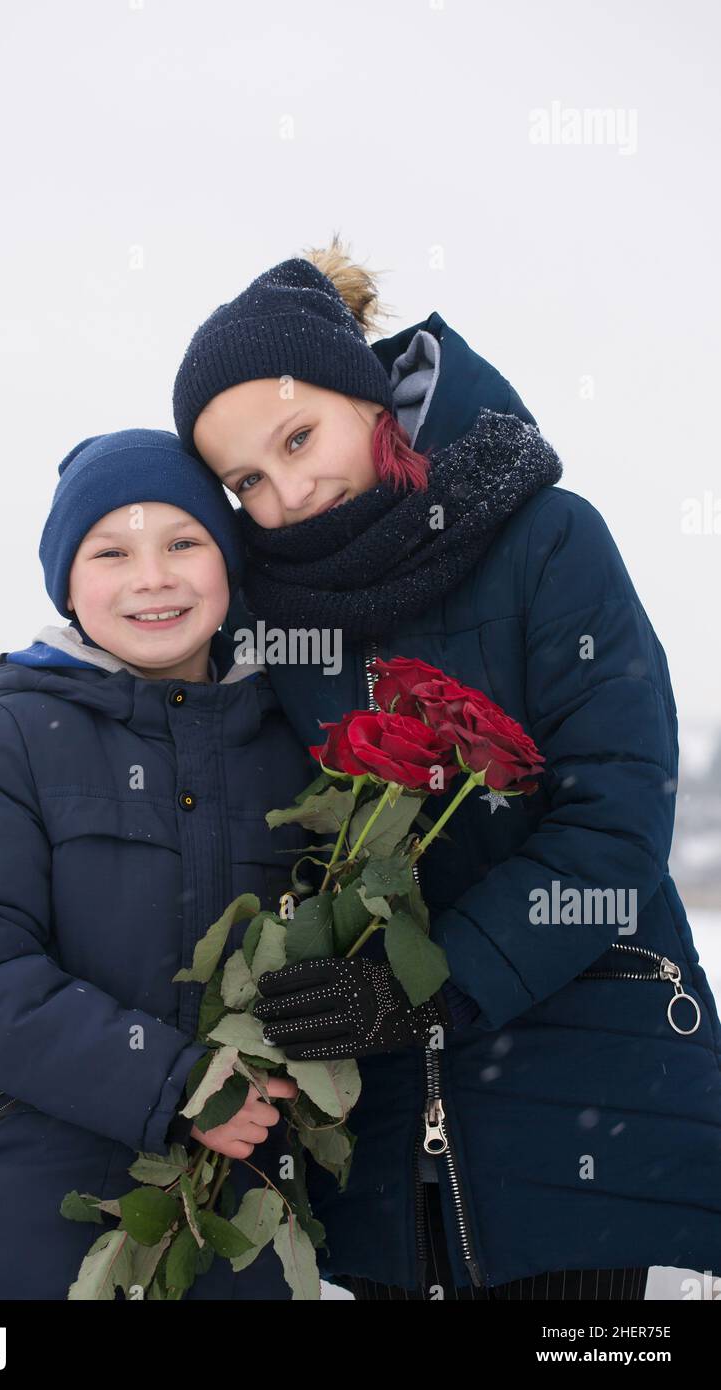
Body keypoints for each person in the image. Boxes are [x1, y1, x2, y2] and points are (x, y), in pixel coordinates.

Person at [171, 238, 721, 1300]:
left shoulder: (546, 540)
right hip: (374, 1151)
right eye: (247, 479)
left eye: (298, 436)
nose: (286, 490)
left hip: (570, 1121)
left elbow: (612, 830)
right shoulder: (271, 620)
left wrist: (425, 991)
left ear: (364, 395)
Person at [0, 429, 318, 1300]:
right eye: (112, 551)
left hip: (234, 1236)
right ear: (69, 582)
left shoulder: (292, 740)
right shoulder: (17, 732)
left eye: (184, 542)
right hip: (18, 1220)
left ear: (228, 563)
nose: (152, 577)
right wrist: (174, 1082)